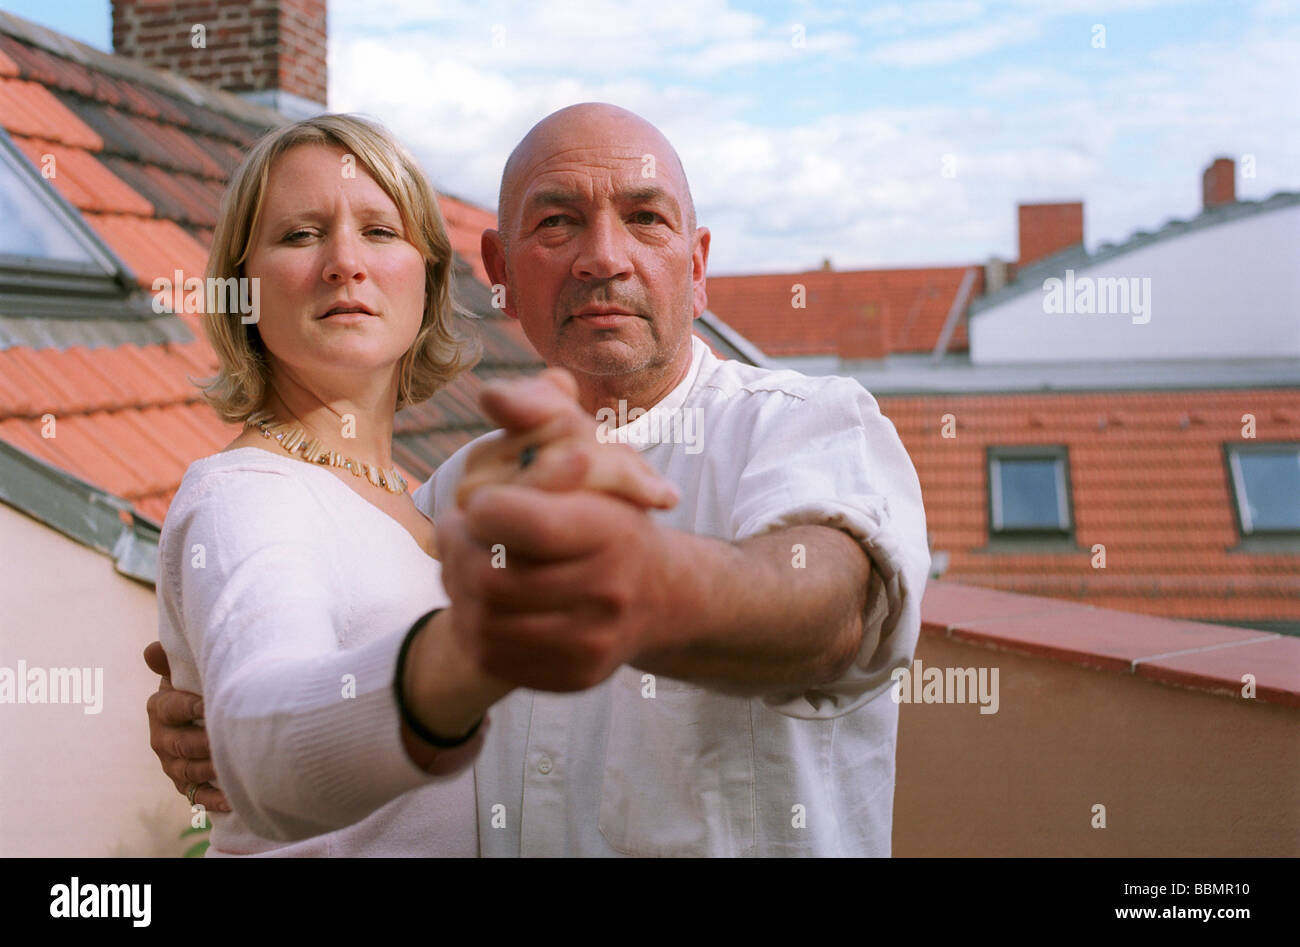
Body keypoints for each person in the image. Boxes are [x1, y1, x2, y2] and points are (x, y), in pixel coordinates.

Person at [148, 103, 931, 856]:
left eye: (646, 218)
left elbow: (833, 612)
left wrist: (643, 587)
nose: (604, 257)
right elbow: (298, 689)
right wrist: (228, 715)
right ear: (502, 274)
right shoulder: (453, 496)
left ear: (696, 269)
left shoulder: (803, 425)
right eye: (556, 221)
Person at [154, 111, 675, 855]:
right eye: (300, 235)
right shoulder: (245, 493)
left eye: (378, 231)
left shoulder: (416, 501)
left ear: (429, 276)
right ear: (243, 288)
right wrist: (487, 642)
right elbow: (263, 737)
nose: (344, 262)